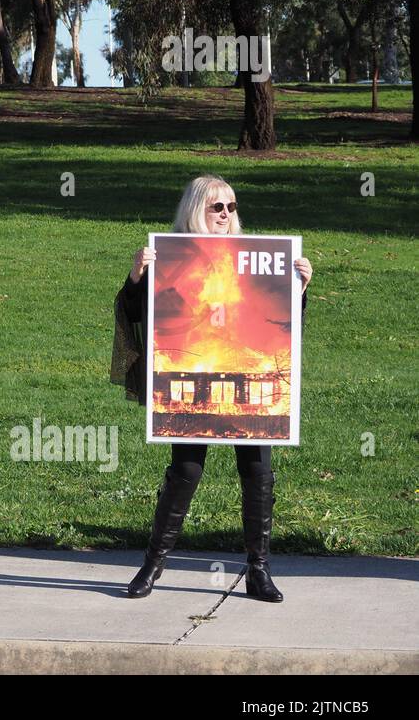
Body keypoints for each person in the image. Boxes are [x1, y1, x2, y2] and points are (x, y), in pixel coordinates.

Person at [113, 174, 311, 602]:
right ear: (195, 209)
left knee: (258, 472)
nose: (225, 214)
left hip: (249, 378)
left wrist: (299, 287)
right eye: (216, 207)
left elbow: (282, 328)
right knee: (186, 471)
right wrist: (135, 277)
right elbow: (133, 315)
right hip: (194, 376)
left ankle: (259, 571)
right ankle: (152, 564)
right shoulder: (171, 255)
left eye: (231, 207)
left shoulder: (255, 256)